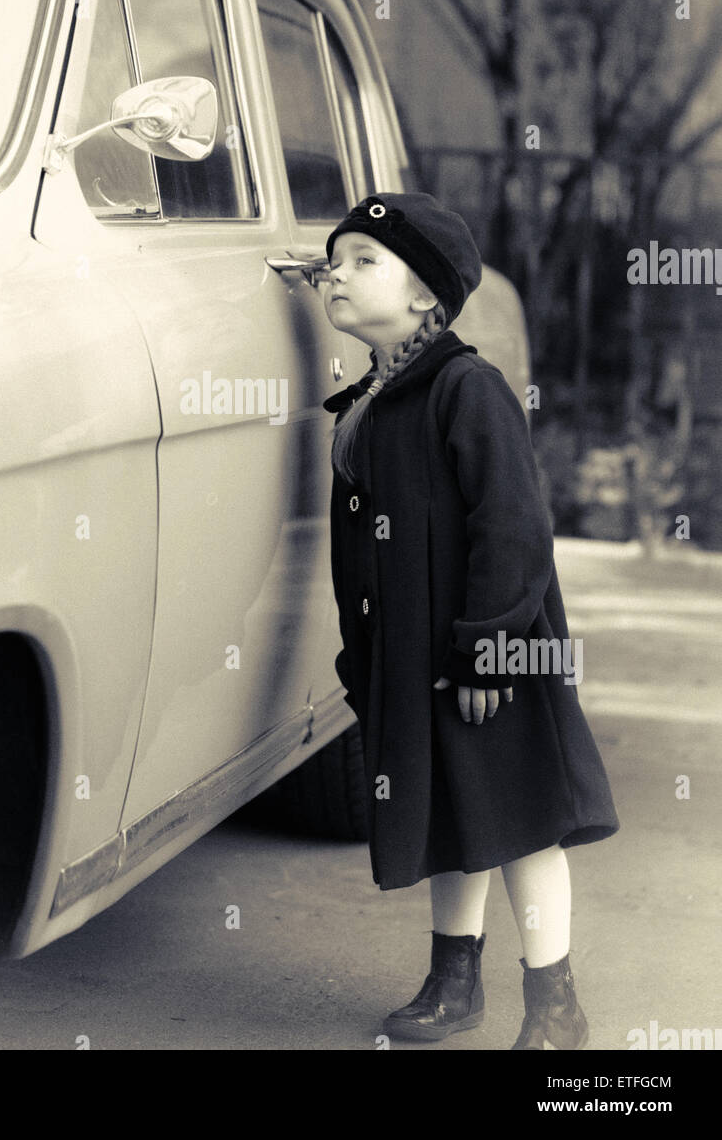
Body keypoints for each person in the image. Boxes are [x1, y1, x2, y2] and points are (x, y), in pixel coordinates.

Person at [322, 191, 619, 1051]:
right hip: (415, 656)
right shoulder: (372, 404)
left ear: (426, 297)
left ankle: (554, 1007)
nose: (336, 274)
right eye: (330, 263)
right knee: (451, 819)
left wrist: (488, 649)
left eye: (362, 261)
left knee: (519, 818)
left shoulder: (467, 386)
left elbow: (514, 526)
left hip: (490, 650)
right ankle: (453, 984)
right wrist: (363, 660)